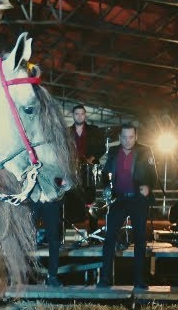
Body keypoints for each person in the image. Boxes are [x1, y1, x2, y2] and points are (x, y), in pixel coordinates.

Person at [96, 124, 156, 289]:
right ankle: (105, 279)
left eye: (131, 137)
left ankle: (139, 280)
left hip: (138, 199)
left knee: (140, 240)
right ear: (119, 137)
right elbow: (105, 174)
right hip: (118, 200)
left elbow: (153, 176)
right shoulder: (114, 151)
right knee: (109, 240)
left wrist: (148, 187)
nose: (127, 140)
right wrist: (107, 187)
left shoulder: (145, 151)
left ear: (136, 137)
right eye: (124, 137)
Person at [64, 104, 106, 241]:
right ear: (73, 115)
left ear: (85, 115)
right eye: (77, 114)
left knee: (90, 201)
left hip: (88, 169)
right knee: (69, 198)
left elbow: (102, 148)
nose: (79, 116)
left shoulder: (94, 130)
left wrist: (92, 158)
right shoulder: (67, 132)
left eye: (82, 114)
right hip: (71, 170)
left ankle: (93, 232)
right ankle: (65, 233)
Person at [29, 200, 64, 286]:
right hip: (34, 198)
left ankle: (52, 277)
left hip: (51, 200)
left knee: (54, 239)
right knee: (24, 235)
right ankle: (19, 274)